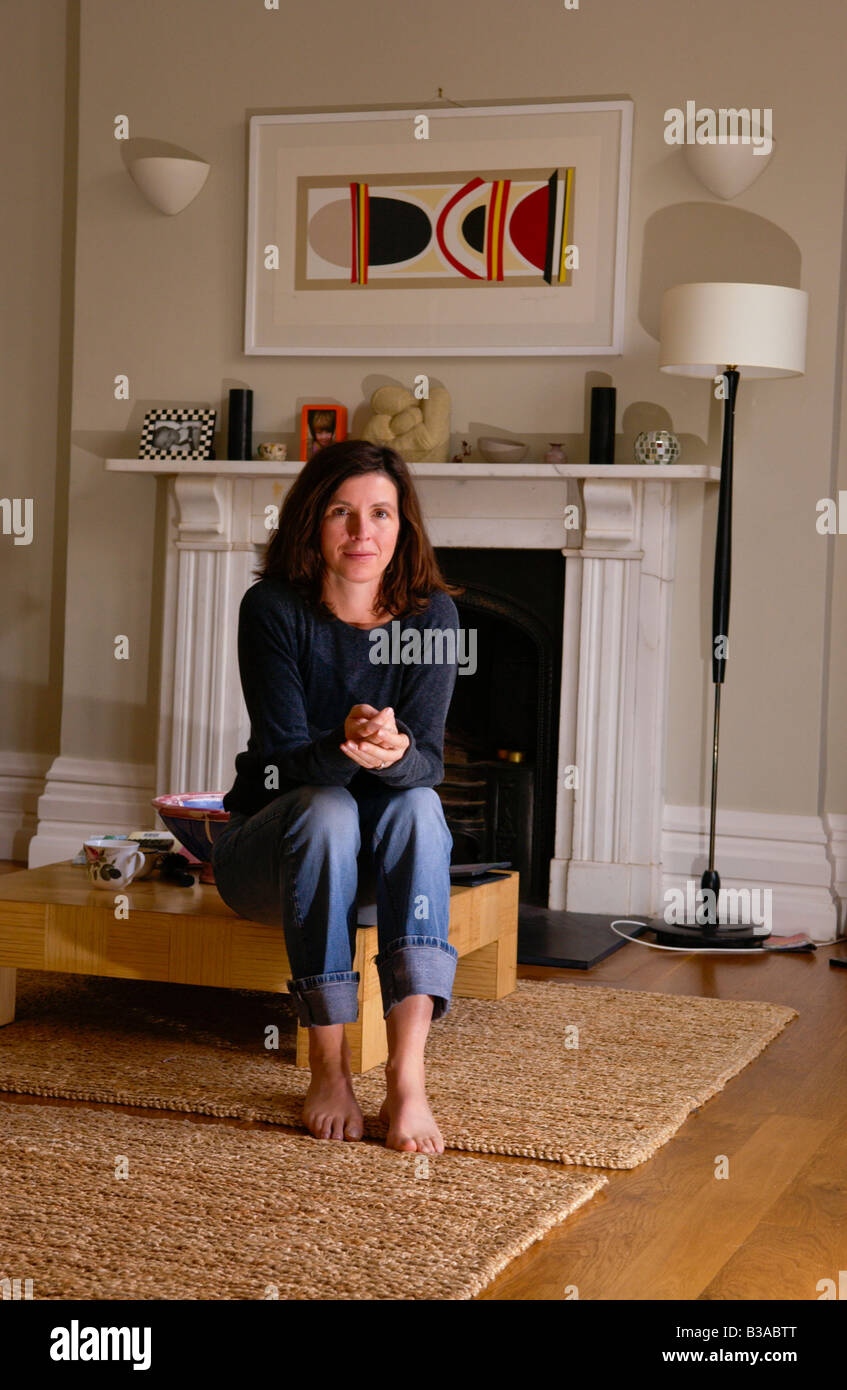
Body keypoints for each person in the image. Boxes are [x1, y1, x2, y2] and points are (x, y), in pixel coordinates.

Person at [212, 439, 465, 1154]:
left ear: (402, 525)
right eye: (341, 513)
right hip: (271, 856)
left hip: (372, 875)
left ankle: (408, 1079)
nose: (362, 534)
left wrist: (394, 754)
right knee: (327, 806)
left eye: (380, 513)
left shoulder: (432, 619)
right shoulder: (273, 610)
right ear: (311, 525)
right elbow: (280, 761)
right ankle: (328, 1065)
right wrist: (344, 744)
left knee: (418, 806)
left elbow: (428, 769)